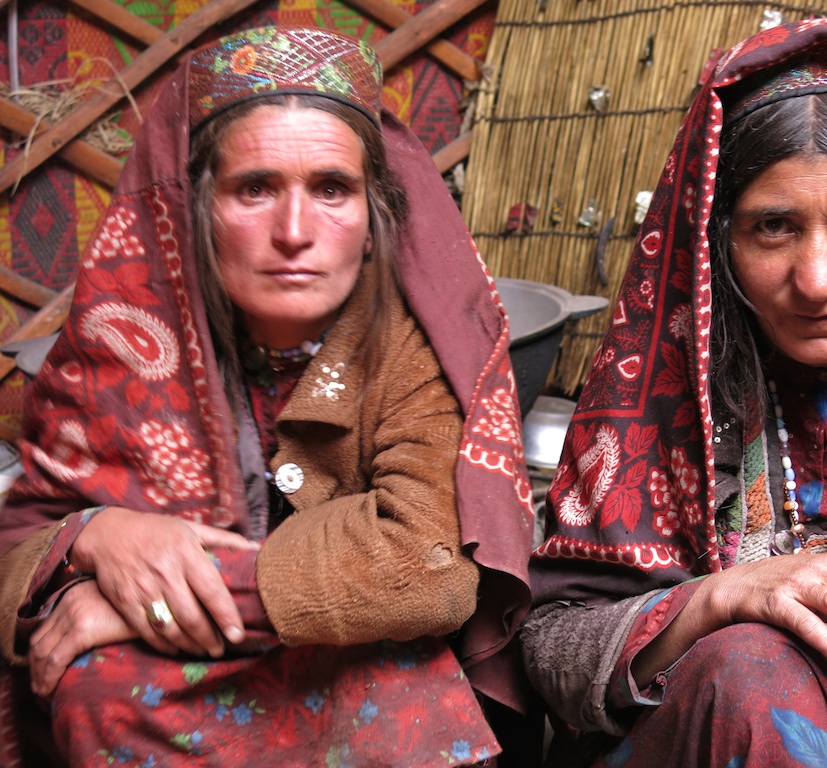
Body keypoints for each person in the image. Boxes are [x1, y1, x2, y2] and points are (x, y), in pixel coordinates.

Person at [0, 27, 536, 767]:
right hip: (170, 687)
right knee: (95, 682)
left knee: (404, 679)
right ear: (197, 208)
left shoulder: (418, 348)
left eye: (331, 189)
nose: (294, 232)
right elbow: (17, 540)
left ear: (375, 219)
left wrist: (163, 594)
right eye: (254, 188)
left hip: (351, 665)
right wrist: (96, 536)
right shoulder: (120, 343)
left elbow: (429, 565)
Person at [521, 18, 827, 767]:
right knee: (748, 672)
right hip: (717, 743)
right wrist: (724, 599)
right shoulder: (659, 396)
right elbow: (548, 651)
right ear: (718, 238)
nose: (817, 279)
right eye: (774, 228)